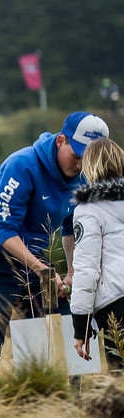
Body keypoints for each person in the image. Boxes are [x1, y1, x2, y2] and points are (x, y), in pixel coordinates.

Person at [0, 111, 110, 382]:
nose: (80, 166)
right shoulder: (22, 165)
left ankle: (57, 404)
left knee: (69, 324)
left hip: (34, 257)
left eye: (87, 160)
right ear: (60, 141)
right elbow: (5, 233)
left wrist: (72, 272)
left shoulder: (84, 177)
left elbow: (71, 226)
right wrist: (43, 270)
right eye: (76, 156)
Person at [71, 137, 124, 367]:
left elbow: (86, 270)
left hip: (116, 308)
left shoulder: (88, 211)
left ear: (89, 167)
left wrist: (80, 327)